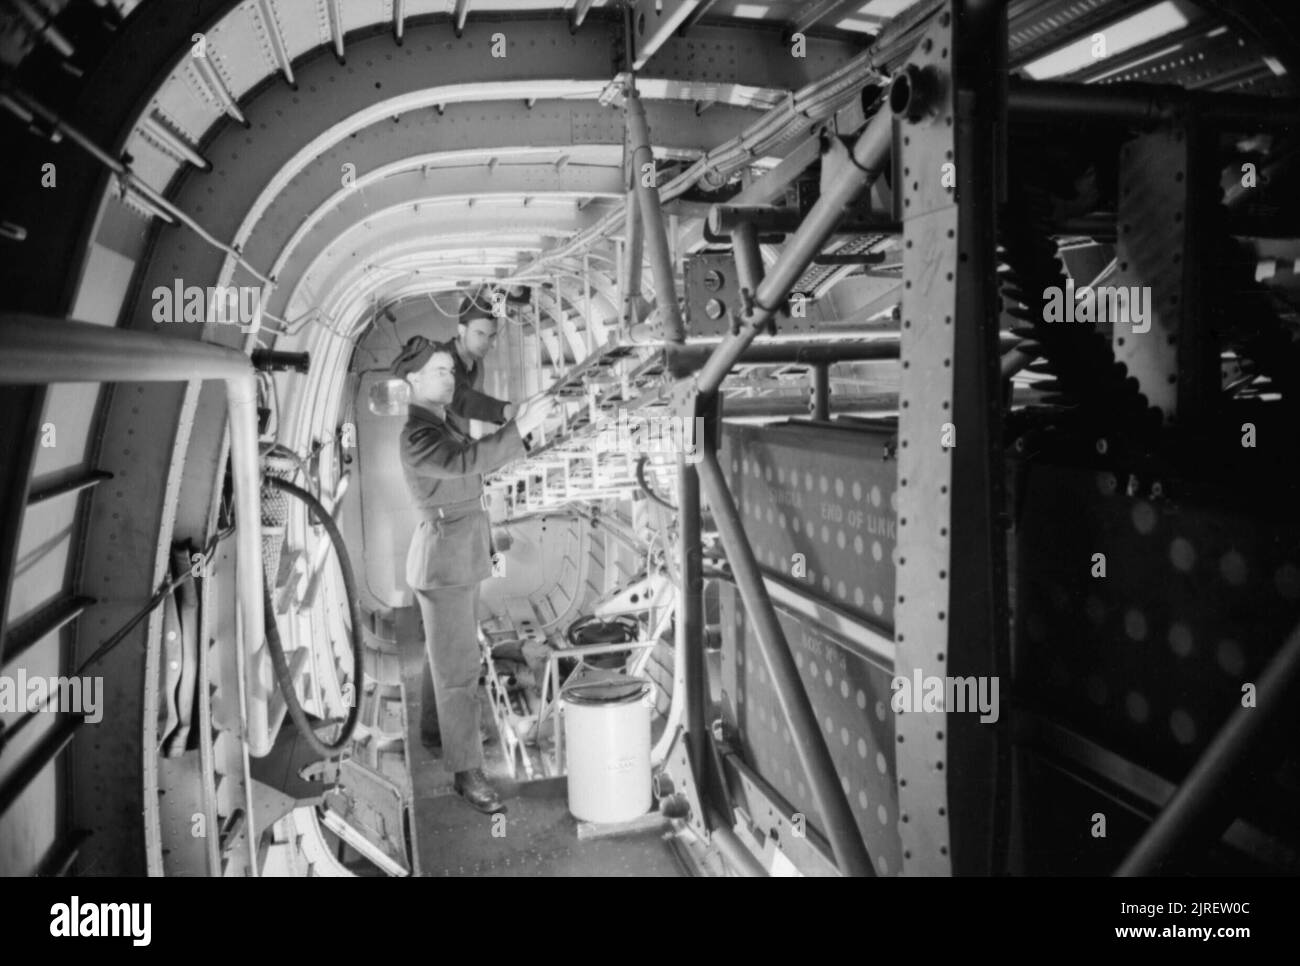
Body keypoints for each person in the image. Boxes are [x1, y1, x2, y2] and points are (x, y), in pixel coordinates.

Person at [392, 339, 554, 813]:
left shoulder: (440, 425)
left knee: (441, 657)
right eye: (439, 371)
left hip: (455, 556)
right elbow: (465, 462)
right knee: (459, 670)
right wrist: (518, 427)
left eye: (449, 369)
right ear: (413, 382)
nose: (449, 377)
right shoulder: (417, 435)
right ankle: (468, 773)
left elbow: (471, 466)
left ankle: (433, 732)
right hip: (446, 563)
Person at [418, 293, 515, 751]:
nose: (487, 344)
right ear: (459, 333)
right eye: (480, 335)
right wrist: (505, 415)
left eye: (493, 336)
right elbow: (463, 400)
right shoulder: (450, 368)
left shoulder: (471, 361)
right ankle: (459, 748)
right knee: (456, 654)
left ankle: (434, 730)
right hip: (451, 494)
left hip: (459, 499)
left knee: (443, 641)